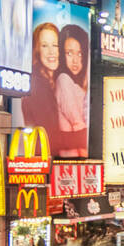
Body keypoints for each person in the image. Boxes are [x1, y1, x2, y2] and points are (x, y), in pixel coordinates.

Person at [53, 24, 90, 156]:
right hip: (70, 155)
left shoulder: (78, 84)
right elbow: (77, 124)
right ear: (62, 55)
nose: (75, 60)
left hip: (76, 155)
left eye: (80, 54)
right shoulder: (64, 80)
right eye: (69, 53)